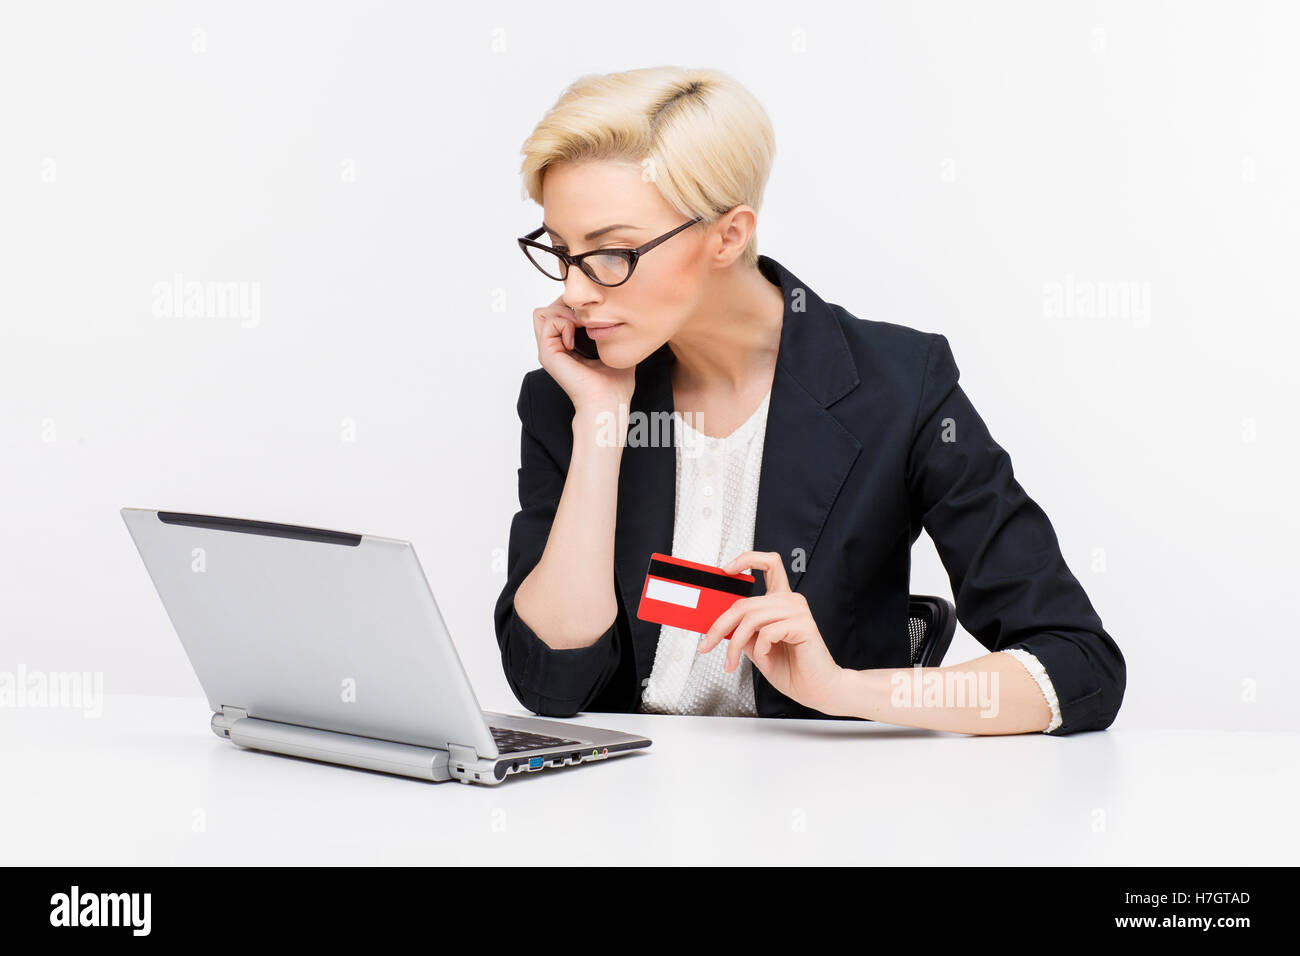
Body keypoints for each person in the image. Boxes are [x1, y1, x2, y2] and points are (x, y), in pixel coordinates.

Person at [494, 66, 1124, 735]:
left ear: (729, 236)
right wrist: (600, 422)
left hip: (819, 807)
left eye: (611, 252)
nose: (577, 290)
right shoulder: (566, 397)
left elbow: (1078, 664)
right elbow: (551, 682)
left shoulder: (898, 387)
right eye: (560, 250)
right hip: (618, 806)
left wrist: (845, 689)